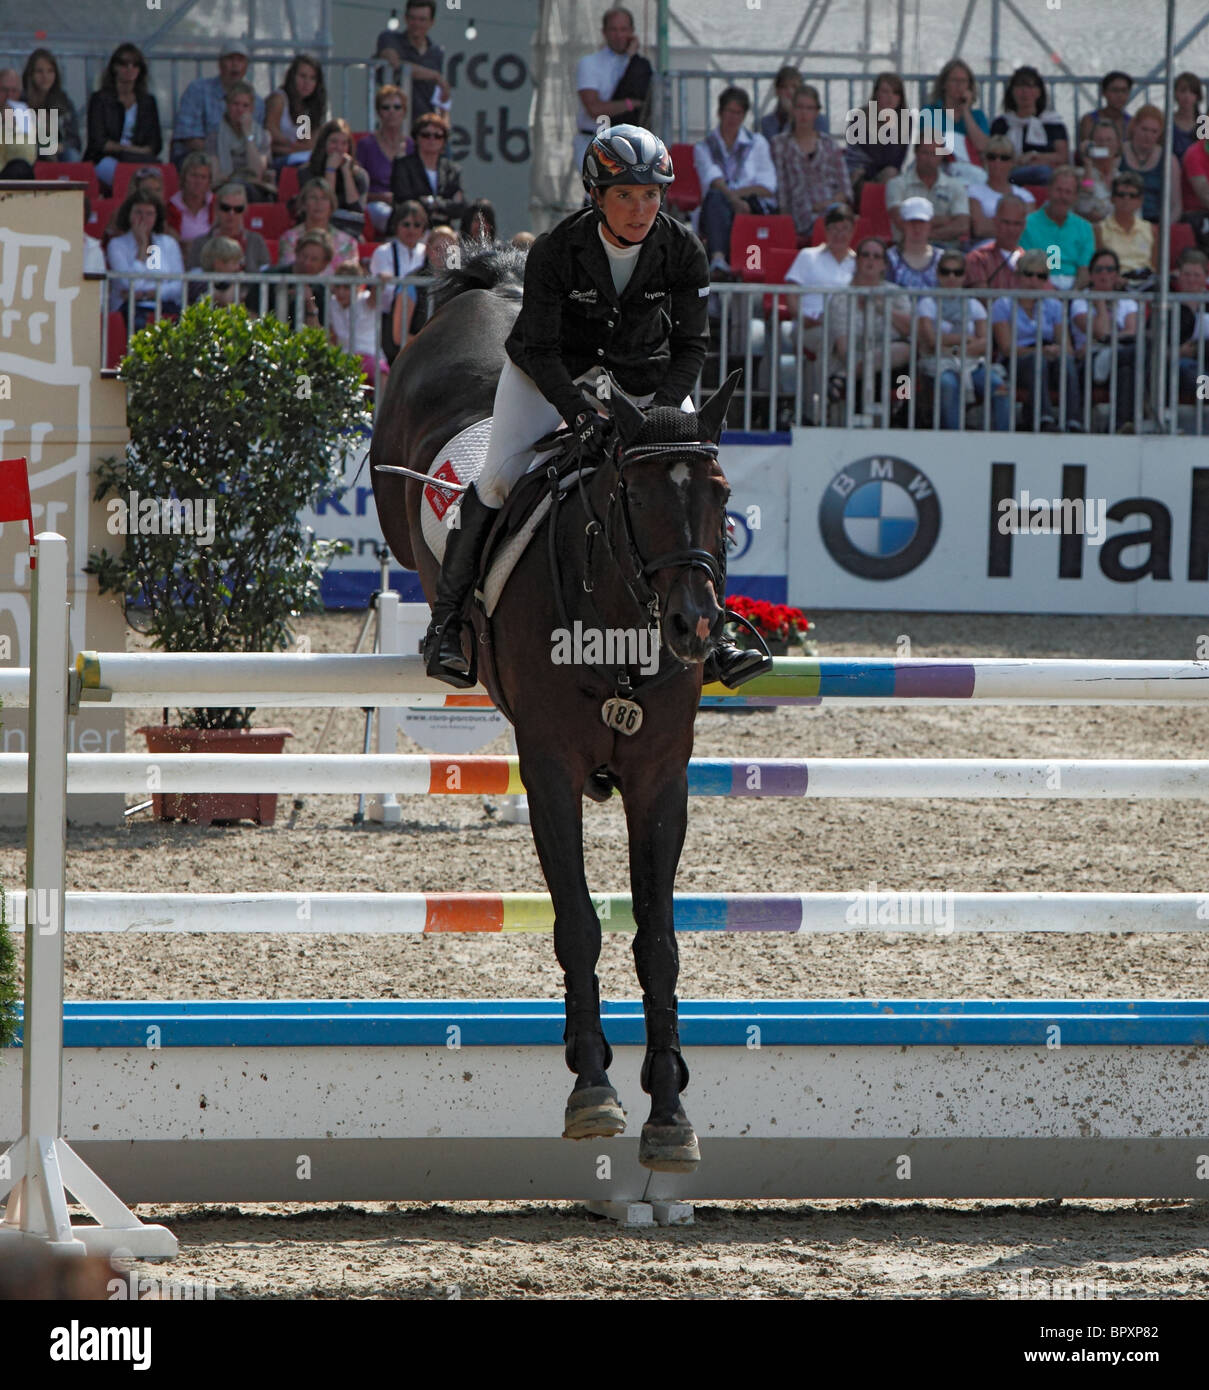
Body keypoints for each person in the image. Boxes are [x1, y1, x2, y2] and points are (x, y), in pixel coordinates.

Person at [421, 124, 768, 692]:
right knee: (499, 479)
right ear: (597, 196)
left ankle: (717, 629)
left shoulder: (683, 250)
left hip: (646, 380)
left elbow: (691, 347)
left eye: (651, 195)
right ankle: (446, 624)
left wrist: (653, 419)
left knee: (691, 480)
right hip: (548, 377)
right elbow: (538, 347)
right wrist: (580, 414)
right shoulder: (558, 250)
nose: (640, 209)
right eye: (626, 195)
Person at [917, 249, 1011, 430]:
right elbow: (931, 342)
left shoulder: (974, 304)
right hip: (937, 364)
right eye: (946, 271)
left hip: (972, 363)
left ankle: (1003, 440)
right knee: (949, 384)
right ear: (938, 274)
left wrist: (952, 347)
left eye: (957, 272)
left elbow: (985, 344)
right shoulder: (927, 303)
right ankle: (954, 438)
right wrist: (966, 339)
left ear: (964, 276)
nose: (951, 277)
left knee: (999, 387)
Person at [991, 248, 1082, 431]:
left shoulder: (1054, 305)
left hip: (1048, 356)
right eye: (1029, 274)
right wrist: (1040, 352)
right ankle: (1044, 419)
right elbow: (1007, 348)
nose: (1034, 281)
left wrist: (1057, 351)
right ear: (1018, 276)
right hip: (1017, 360)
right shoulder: (1003, 304)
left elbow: (1067, 347)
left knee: (1067, 361)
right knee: (1036, 361)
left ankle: (1073, 420)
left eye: (1040, 276)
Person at [693, 86, 777, 276]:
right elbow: (713, 179)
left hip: (751, 206)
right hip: (719, 206)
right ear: (720, 112)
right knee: (715, 197)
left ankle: (723, 261)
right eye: (730, 111)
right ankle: (718, 260)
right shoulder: (703, 147)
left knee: (721, 199)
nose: (734, 117)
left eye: (739, 113)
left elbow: (768, 186)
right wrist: (734, 200)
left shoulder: (758, 143)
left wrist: (737, 198)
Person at [784, 201, 857, 420]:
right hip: (809, 326)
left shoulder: (859, 262)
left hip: (847, 330)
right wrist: (801, 317)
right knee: (829, 342)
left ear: (852, 231)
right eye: (834, 229)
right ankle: (825, 406)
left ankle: (823, 405)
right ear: (825, 231)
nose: (839, 234)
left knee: (838, 343)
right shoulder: (808, 256)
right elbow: (791, 295)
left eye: (844, 228)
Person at [827, 236, 911, 417]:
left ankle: (846, 376)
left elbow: (909, 330)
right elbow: (843, 347)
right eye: (865, 255)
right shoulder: (841, 298)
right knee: (866, 377)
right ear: (857, 261)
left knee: (904, 351)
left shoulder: (896, 294)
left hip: (894, 367)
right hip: (854, 358)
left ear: (884, 265)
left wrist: (881, 306)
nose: (870, 260)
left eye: (876, 256)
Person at [1070, 248, 1140, 431]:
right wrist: (1100, 303)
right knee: (1137, 354)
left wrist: (1110, 339)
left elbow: (1132, 331)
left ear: (1117, 274)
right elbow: (1101, 332)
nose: (1105, 274)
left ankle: (1119, 425)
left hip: (1117, 358)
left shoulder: (1127, 301)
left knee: (1127, 368)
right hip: (1088, 362)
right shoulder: (1080, 302)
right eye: (1099, 270)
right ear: (1091, 275)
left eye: (1110, 270)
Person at [573, 7, 651, 169]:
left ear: (632, 32)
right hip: (594, 140)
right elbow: (594, 109)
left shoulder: (637, 64)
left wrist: (632, 57)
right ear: (604, 32)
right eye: (613, 30)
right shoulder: (590, 63)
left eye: (624, 29)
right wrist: (629, 104)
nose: (619, 35)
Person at [770, 84, 851, 240]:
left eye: (809, 108)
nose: (804, 114)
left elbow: (845, 190)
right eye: (800, 107)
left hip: (830, 212)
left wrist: (824, 205)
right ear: (792, 110)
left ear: (816, 112)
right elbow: (781, 190)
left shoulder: (830, 145)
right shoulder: (779, 144)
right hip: (799, 213)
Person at [172, 41, 265, 166]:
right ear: (220, 64)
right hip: (199, 160)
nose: (235, 64)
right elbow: (189, 137)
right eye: (230, 59)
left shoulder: (257, 102)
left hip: (240, 162)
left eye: (240, 60)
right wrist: (222, 156)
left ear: (247, 66)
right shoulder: (198, 90)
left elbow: (258, 141)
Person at [84, 44, 162, 190]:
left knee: (157, 175)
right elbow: (99, 143)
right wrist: (130, 150)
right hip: (106, 159)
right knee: (124, 176)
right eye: (124, 64)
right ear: (114, 67)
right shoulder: (100, 99)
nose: (130, 68)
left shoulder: (148, 102)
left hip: (140, 160)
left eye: (135, 64)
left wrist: (131, 152)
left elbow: (155, 145)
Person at [106, 191, 184, 326]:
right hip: (131, 309)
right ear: (129, 214)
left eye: (149, 214)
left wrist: (148, 294)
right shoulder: (117, 245)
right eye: (138, 212)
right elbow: (129, 284)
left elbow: (178, 285)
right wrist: (142, 247)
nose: (143, 218)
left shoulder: (168, 243)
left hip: (164, 306)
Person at [989, 66, 1069, 186]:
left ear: (1039, 91)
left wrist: (1034, 157)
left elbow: (1063, 157)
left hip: (1045, 173)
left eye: (1030, 86)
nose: (1025, 92)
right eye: (1020, 87)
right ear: (1012, 91)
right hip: (1011, 173)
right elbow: (994, 152)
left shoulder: (1052, 122)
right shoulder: (1002, 123)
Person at [886, 133, 970, 248]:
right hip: (906, 247)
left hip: (946, 251)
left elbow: (962, 226)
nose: (929, 159)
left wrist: (922, 231)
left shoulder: (955, 187)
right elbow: (900, 221)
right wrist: (946, 220)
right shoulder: (897, 184)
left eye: (934, 153)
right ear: (916, 153)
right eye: (925, 153)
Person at [1019, 166, 1094, 290]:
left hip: (1075, 287)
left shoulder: (1084, 228)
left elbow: (1084, 270)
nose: (1062, 197)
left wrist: (1071, 296)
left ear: (1075, 197)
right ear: (1048, 191)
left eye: (1068, 192)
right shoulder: (1027, 224)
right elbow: (1025, 266)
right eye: (1058, 190)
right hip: (1038, 285)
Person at [370, 200, 428, 361]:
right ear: (396, 226)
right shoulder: (383, 252)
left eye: (417, 225)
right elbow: (386, 292)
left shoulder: (427, 252)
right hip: (388, 323)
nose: (411, 229)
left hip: (419, 322)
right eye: (406, 224)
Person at [374, 0, 450, 119]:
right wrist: (435, 76)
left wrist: (443, 122)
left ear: (432, 22)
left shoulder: (436, 52)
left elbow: (441, 96)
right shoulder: (390, 38)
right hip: (394, 120)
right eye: (412, 18)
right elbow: (394, 62)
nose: (416, 24)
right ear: (405, 18)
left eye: (422, 19)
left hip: (425, 124)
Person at [390, 110, 464, 228]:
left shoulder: (452, 169)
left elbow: (459, 207)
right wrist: (441, 206)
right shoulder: (402, 165)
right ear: (416, 138)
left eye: (438, 136)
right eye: (426, 135)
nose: (432, 139)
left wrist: (430, 202)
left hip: (442, 231)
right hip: (410, 229)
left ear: (444, 141)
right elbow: (405, 200)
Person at [844, 72, 908, 202]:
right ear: (876, 93)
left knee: (891, 174)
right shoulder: (859, 117)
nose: (890, 97)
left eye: (896, 93)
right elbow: (872, 156)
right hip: (859, 177)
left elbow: (895, 161)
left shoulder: (905, 120)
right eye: (885, 91)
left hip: (886, 175)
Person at [207, 80, 275, 202]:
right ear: (228, 106)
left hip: (253, 190)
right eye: (235, 104)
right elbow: (216, 176)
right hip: (224, 189)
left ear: (252, 108)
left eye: (245, 105)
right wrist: (236, 179)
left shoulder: (262, 136)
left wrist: (248, 135)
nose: (240, 110)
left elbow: (256, 172)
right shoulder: (215, 136)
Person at [925, 58, 990, 183]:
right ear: (944, 84)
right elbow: (930, 145)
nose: (959, 86)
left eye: (963, 81)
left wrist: (965, 111)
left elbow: (983, 146)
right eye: (954, 80)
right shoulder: (931, 112)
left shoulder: (977, 116)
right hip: (942, 168)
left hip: (972, 171)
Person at [358, 85, 411, 234]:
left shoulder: (412, 146)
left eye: (397, 107)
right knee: (388, 214)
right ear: (379, 112)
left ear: (404, 111)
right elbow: (357, 190)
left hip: (405, 205)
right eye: (386, 107)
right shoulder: (366, 145)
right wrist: (381, 197)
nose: (391, 112)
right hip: (375, 206)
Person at [186, 182, 271, 275]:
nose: (231, 214)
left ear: (245, 211)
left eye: (238, 209)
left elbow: (266, 277)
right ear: (217, 209)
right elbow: (193, 281)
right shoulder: (200, 243)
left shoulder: (256, 241)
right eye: (225, 208)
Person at [1119, 105, 1180, 225]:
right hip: (1123, 222)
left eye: (1154, 131)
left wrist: (1162, 230)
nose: (1148, 136)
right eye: (1144, 129)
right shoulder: (1119, 153)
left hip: (1156, 224)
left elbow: (1176, 206)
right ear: (1134, 127)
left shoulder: (1169, 160)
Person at [304, 117, 368, 232]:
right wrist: (330, 170)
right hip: (317, 226)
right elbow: (324, 207)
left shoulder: (360, 175)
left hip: (348, 228)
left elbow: (356, 212)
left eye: (344, 143)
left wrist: (346, 172)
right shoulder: (307, 172)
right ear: (324, 143)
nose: (339, 148)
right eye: (334, 142)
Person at [278, 177, 359, 266]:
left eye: (324, 198)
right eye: (313, 197)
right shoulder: (290, 239)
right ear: (304, 204)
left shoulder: (347, 243)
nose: (319, 203)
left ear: (331, 205)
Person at [265, 54, 326, 171]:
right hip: (274, 160)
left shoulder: (310, 108)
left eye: (312, 78)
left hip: (298, 158)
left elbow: (309, 144)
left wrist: (290, 146)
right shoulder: (279, 99)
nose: (307, 82)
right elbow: (270, 137)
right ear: (292, 77)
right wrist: (293, 146)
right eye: (302, 76)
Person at [328, 261, 387, 382]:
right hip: (343, 357)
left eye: (346, 287)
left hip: (370, 355)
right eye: (338, 287)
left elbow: (378, 289)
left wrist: (381, 279)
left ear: (359, 286)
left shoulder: (366, 299)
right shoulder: (332, 303)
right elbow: (332, 337)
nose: (341, 292)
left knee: (382, 373)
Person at [400, 222, 459, 342]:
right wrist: (431, 346)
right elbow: (399, 335)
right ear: (428, 250)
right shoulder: (413, 281)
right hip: (419, 353)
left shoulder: (459, 284)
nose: (443, 254)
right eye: (437, 249)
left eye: (449, 249)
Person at [967, 137, 1035, 239]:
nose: (997, 162)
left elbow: (1029, 230)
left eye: (1004, 158)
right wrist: (1014, 227)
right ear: (985, 160)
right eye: (992, 157)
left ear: (1012, 162)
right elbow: (980, 229)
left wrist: (991, 223)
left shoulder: (1025, 196)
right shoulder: (973, 191)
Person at [1095, 171, 1157, 282]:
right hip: (1114, 287)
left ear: (1140, 201)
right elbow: (1098, 268)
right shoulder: (1099, 230)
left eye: (1132, 196)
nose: (1126, 199)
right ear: (1112, 199)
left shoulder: (1151, 230)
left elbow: (1156, 268)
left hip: (1145, 287)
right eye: (1121, 195)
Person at [22, 48, 81, 161]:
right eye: (39, 71)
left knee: (72, 156)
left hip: (60, 153)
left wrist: (61, 146)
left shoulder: (64, 102)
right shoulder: (22, 101)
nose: (45, 76)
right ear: (31, 74)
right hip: (31, 152)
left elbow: (75, 140)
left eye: (50, 71)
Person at [964, 194, 1028, 291]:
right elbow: (983, 299)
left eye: (1017, 224)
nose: (1011, 229)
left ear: (1024, 226)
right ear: (995, 221)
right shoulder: (978, 258)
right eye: (1006, 222)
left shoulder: (1030, 261)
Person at [274, 228, 334, 328]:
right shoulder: (271, 278)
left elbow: (319, 336)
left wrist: (310, 304)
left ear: (324, 264)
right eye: (304, 256)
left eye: (314, 259)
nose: (307, 262)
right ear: (296, 253)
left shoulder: (322, 292)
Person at [1172, 247, 1209, 408]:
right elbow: (1154, 347)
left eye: (1196, 275)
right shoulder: (1168, 306)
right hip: (1179, 363)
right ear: (1179, 276)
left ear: (1205, 278)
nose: (1191, 280)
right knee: (1193, 373)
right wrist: (1178, 352)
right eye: (1187, 274)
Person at [886, 197, 943, 288]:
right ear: (903, 224)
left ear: (930, 224)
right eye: (912, 222)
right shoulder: (890, 258)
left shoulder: (942, 258)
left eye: (922, 223)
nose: (917, 228)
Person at [1075, 122, 1121, 224]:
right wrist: (1087, 163)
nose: (1104, 144)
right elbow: (1084, 207)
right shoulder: (1082, 175)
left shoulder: (1122, 178)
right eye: (1099, 140)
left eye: (1109, 140)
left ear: (1117, 144)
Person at [1075, 72, 1133, 150]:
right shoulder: (1089, 120)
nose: (1120, 95)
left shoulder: (1132, 123)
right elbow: (1086, 151)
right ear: (1104, 92)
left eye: (1124, 91)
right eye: (1115, 90)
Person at [166, 152, 215, 241]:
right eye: (194, 176)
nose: (198, 181)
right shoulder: (170, 208)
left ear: (209, 181)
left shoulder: (218, 205)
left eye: (203, 177)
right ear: (183, 178)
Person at [192, 234, 247, 308]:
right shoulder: (199, 280)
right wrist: (236, 281)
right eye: (234, 263)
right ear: (218, 264)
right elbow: (226, 300)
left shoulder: (226, 282)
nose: (238, 267)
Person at [0, 69, 37, 177]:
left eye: (14, 91)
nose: (9, 95)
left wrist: (14, 128)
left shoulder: (24, 114)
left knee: (21, 167)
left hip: (12, 173)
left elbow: (27, 157)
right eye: (4, 90)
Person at [759, 66, 800, 143]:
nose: (790, 92)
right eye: (784, 87)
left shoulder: (816, 120)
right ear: (777, 91)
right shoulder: (767, 123)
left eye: (794, 87)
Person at [1172, 72, 1203, 165]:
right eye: (1183, 91)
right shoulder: (1166, 122)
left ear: (1198, 96)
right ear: (1175, 93)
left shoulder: (1204, 124)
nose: (1187, 96)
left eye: (1192, 92)